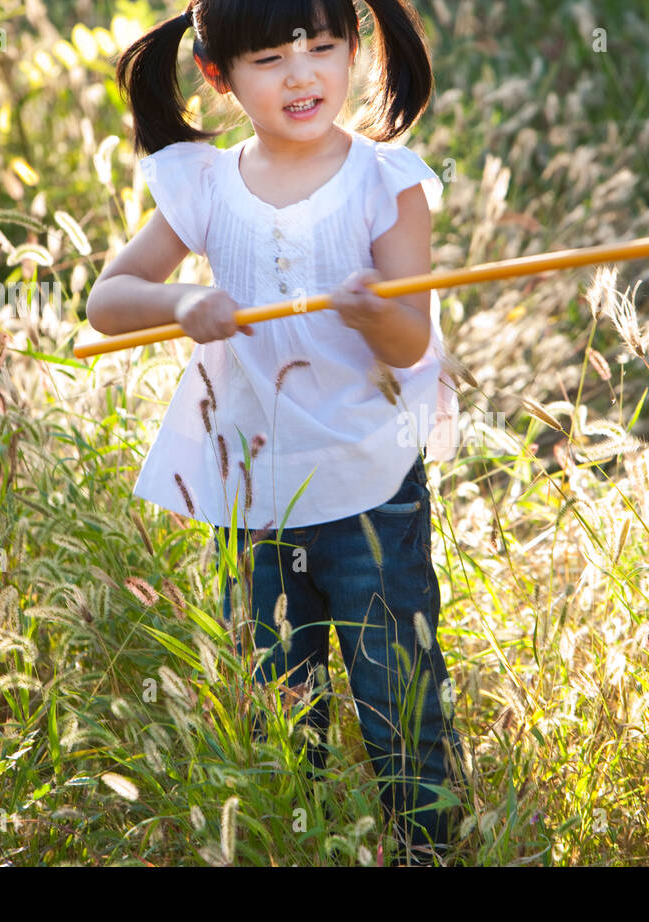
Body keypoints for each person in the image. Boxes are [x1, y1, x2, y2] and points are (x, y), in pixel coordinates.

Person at [85, 0, 465, 865]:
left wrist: (379, 315)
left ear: (357, 51)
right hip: (252, 495)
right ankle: (303, 844)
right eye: (269, 60)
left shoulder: (387, 182)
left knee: (396, 692)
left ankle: (425, 850)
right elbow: (109, 302)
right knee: (280, 704)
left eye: (323, 48)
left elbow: (414, 338)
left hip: (369, 484)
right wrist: (179, 303)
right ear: (219, 76)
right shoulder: (208, 185)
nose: (302, 76)